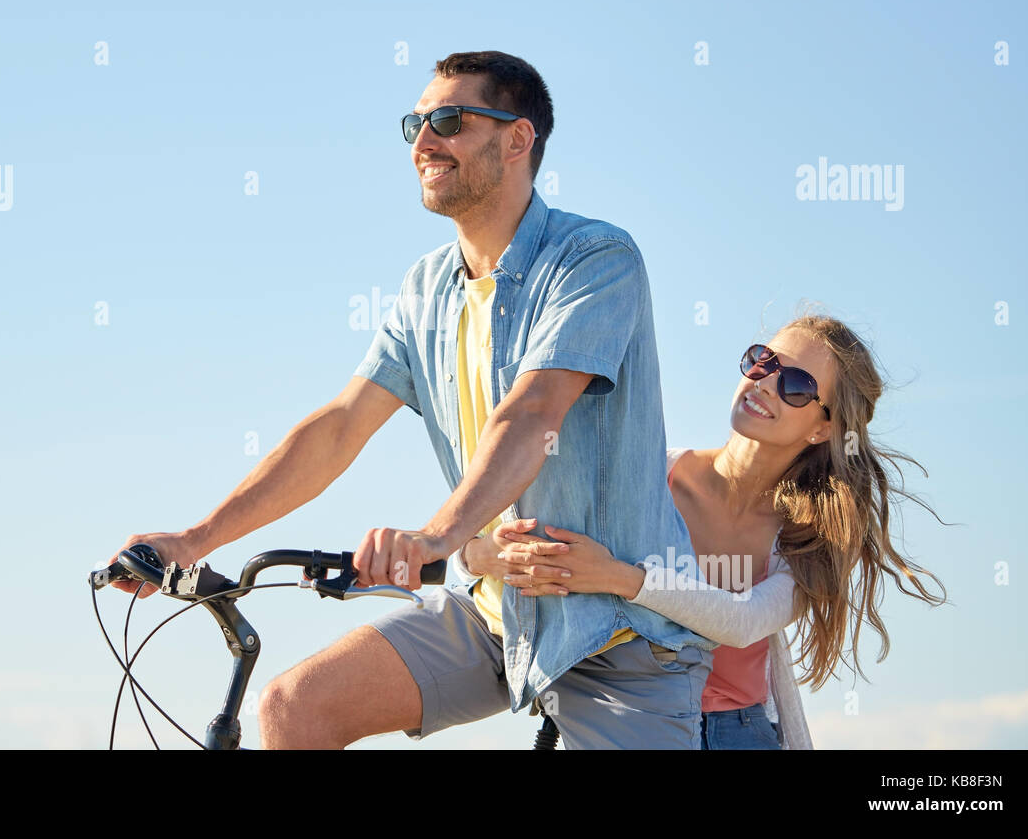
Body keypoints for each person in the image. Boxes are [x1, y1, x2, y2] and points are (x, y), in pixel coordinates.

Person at [108, 50, 717, 748]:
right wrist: (194, 540)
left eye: (450, 121)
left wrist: (434, 537)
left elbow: (534, 412)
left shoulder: (594, 260)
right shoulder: (427, 289)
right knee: (292, 708)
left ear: (517, 139)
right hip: (495, 612)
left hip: (618, 636)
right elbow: (339, 426)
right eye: (416, 124)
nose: (424, 142)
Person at [460, 315, 949, 748]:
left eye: (795, 384)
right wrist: (475, 555)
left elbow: (741, 622)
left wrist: (619, 577)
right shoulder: (654, 477)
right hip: (627, 721)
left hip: (738, 733)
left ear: (822, 428)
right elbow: (523, 547)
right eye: (762, 361)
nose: (763, 382)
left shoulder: (808, 538)